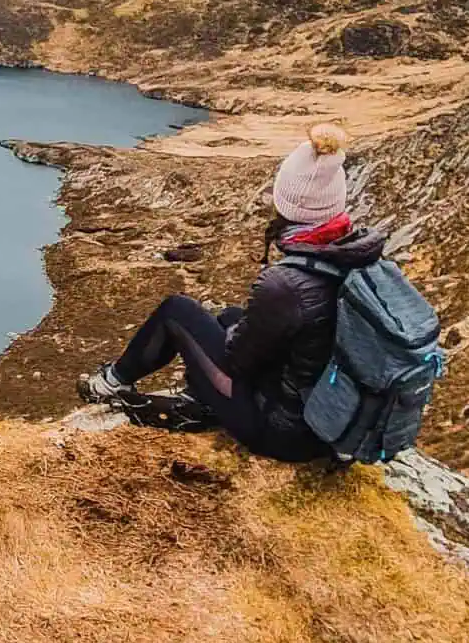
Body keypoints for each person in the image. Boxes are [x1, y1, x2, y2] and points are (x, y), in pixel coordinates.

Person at [78, 121, 386, 460]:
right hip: (330, 423)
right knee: (230, 316)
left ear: (287, 204)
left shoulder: (286, 285)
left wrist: (234, 334)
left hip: (285, 433)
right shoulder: (359, 257)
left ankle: (109, 384)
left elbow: (238, 361)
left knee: (176, 312)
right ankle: (196, 399)